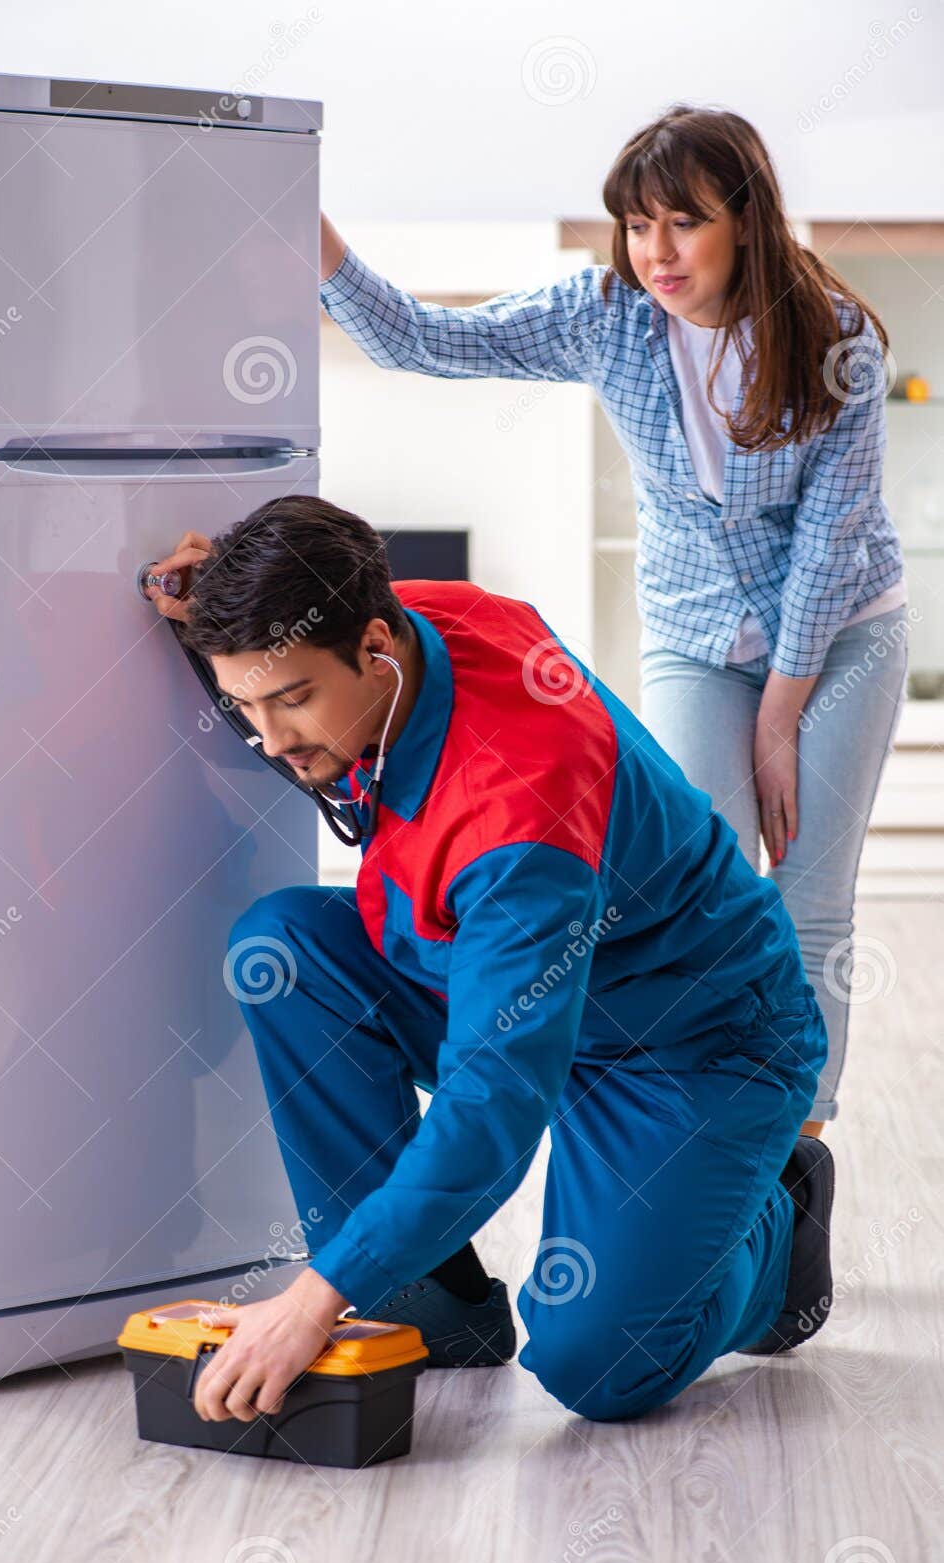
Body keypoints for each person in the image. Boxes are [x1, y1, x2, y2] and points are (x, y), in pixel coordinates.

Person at [144, 495, 832, 1429]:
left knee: (599, 1365)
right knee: (284, 949)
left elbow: (492, 1108)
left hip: (689, 1038)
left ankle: (776, 1229)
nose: (270, 739)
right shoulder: (407, 619)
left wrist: (312, 1303)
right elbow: (303, 653)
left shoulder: (518, 817)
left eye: (292, 699)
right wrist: (218, 623)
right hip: (518, 968)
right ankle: (428, 1302)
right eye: (245, 706)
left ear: (376, 650)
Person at [316, 104, 910, 1140]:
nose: (657, 252)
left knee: (809, 898)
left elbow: (828, 546)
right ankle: (702, 1125)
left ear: (746, 221)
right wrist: (310, 239)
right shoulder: (607, 314)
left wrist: (782, 717)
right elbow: (422, 340)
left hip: (843, 633)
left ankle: (795, 1144)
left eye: (684, 222)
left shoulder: (839, 342)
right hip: (695, 632)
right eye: (638, 226)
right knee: (703, 881)